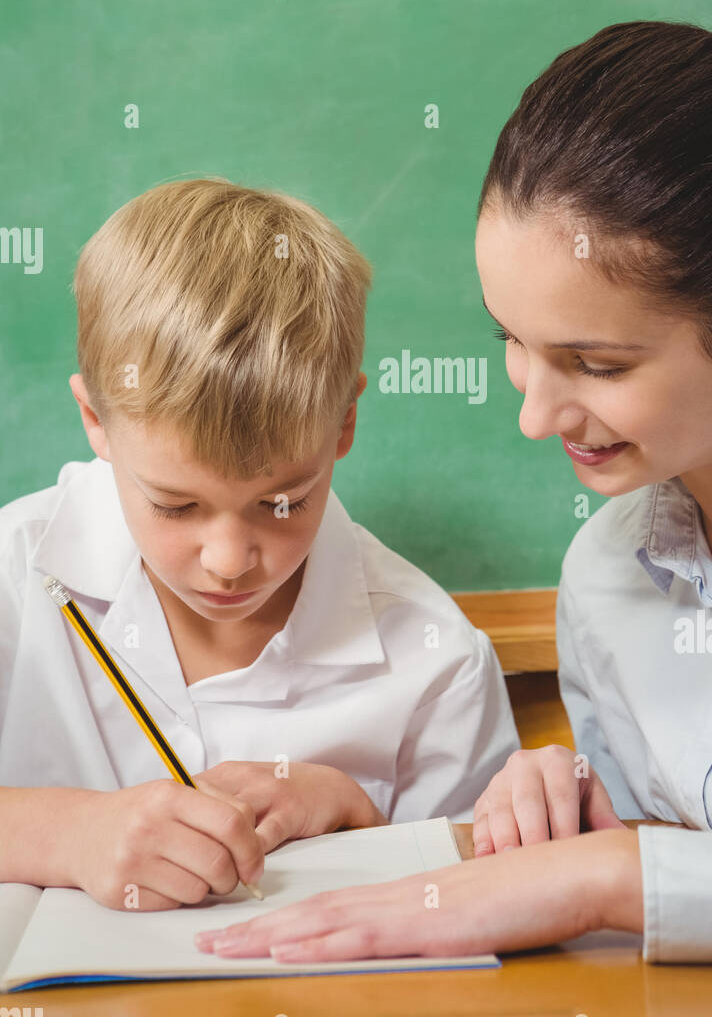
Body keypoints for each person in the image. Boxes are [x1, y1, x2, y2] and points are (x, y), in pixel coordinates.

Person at [195, 22, 712, 998]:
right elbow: (697, 917)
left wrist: (611, 874)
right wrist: (574, 818)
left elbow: (683, 887)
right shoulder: (605, 575)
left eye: (596, 363)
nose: (532, 413)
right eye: (511, 339)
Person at [0, 177, 519, 910]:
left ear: (343, 426)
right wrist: (65, 834)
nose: (229, 560)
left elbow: (483, 906)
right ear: (96, 419)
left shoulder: (436, 663)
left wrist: (361, 818)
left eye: (282, 503)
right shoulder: (14, 575)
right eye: (176, 505)